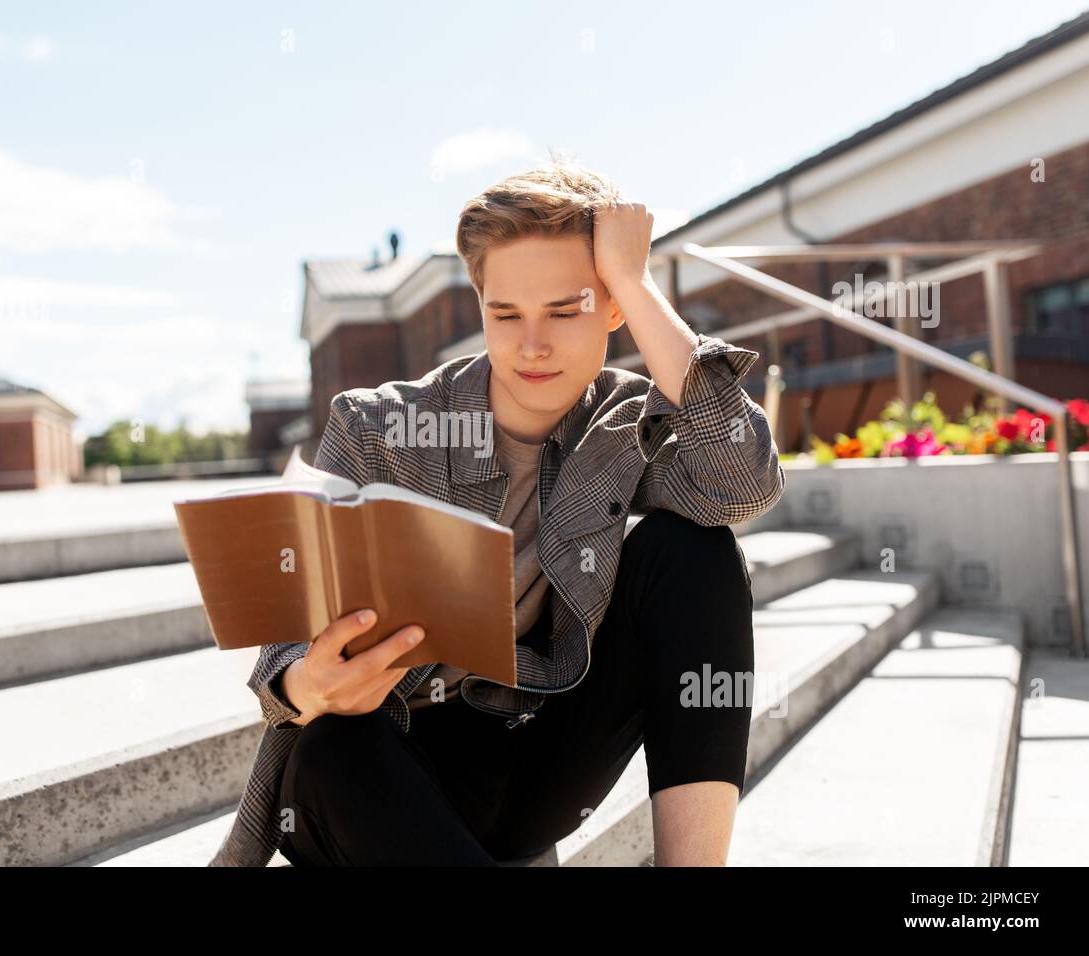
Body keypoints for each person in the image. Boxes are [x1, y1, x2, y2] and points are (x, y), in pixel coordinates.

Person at [211, 153, 784, 867]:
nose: (532, 345)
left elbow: (745, 484)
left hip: (531, 761)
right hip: (380, 771)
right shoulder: (375, 427)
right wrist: (308, 682)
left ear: (610, 309)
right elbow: (283, 648)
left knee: (694, 554)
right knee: (332, 744)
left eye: (564, 310)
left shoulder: (627, 423)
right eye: (505, 313)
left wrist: (635, 282)